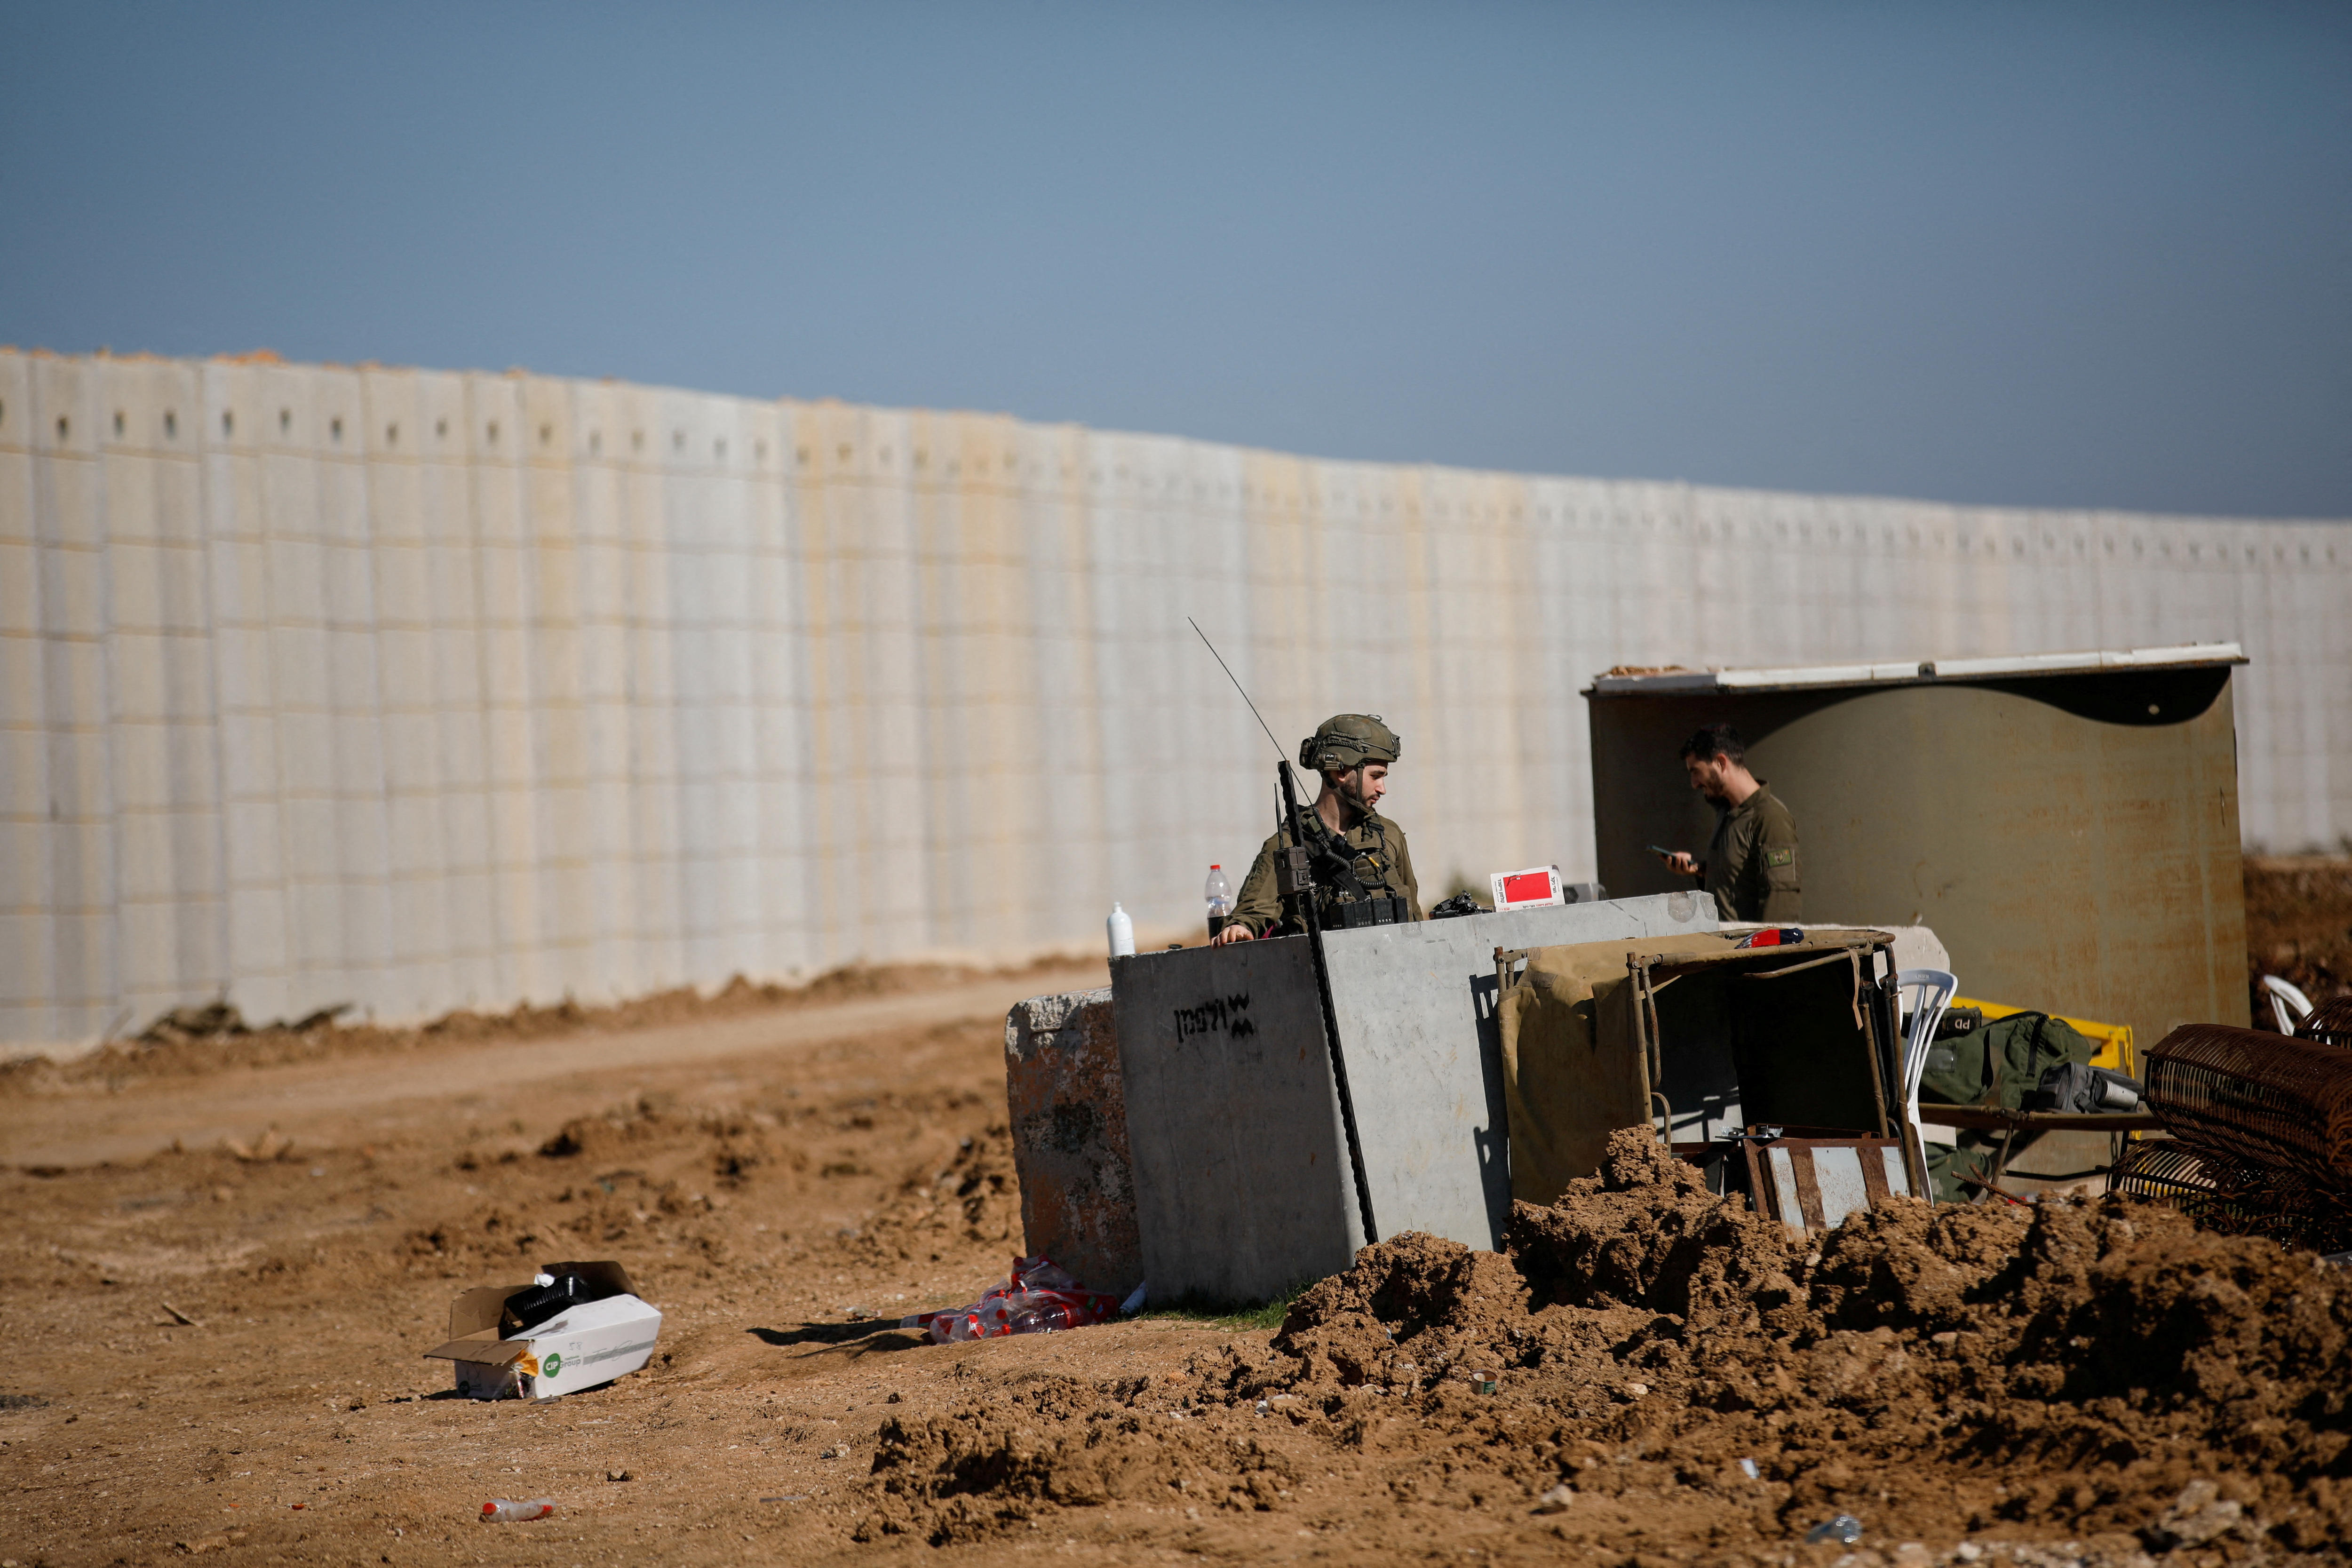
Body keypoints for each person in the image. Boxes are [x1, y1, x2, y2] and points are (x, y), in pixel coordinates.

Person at [1213, 714, 1422, 943]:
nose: (1382, 789)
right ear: (1341, 772)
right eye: (1376, 776)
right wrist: (1238, 928)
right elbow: (1250, 914)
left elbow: (1415, 921)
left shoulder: (1387, 835)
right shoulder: (1289, 844)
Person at [1665, 723, 1800, 922]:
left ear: (1721, 763)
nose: (1694, 784)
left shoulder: (1770, 818)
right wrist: (1700, 871)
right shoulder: (1728, 814)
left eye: (1696, 772)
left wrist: (1766, 953)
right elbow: (1737, 885)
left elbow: (1781, 906)